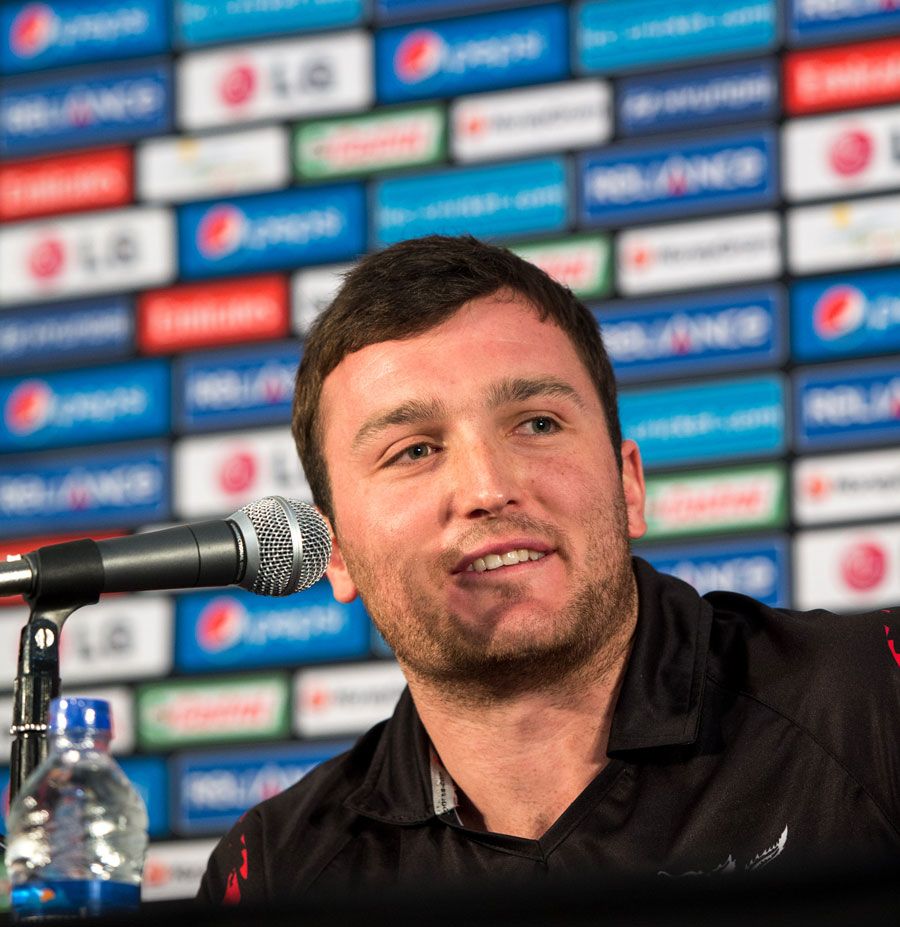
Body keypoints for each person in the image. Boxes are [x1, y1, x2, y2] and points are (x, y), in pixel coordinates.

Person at [198, 235, 900, 904]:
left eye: (536, 423)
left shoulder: (871, 703)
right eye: (413, 450)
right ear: (337, 551)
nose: (486, 488)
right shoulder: (276, 871)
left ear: (629, 485)